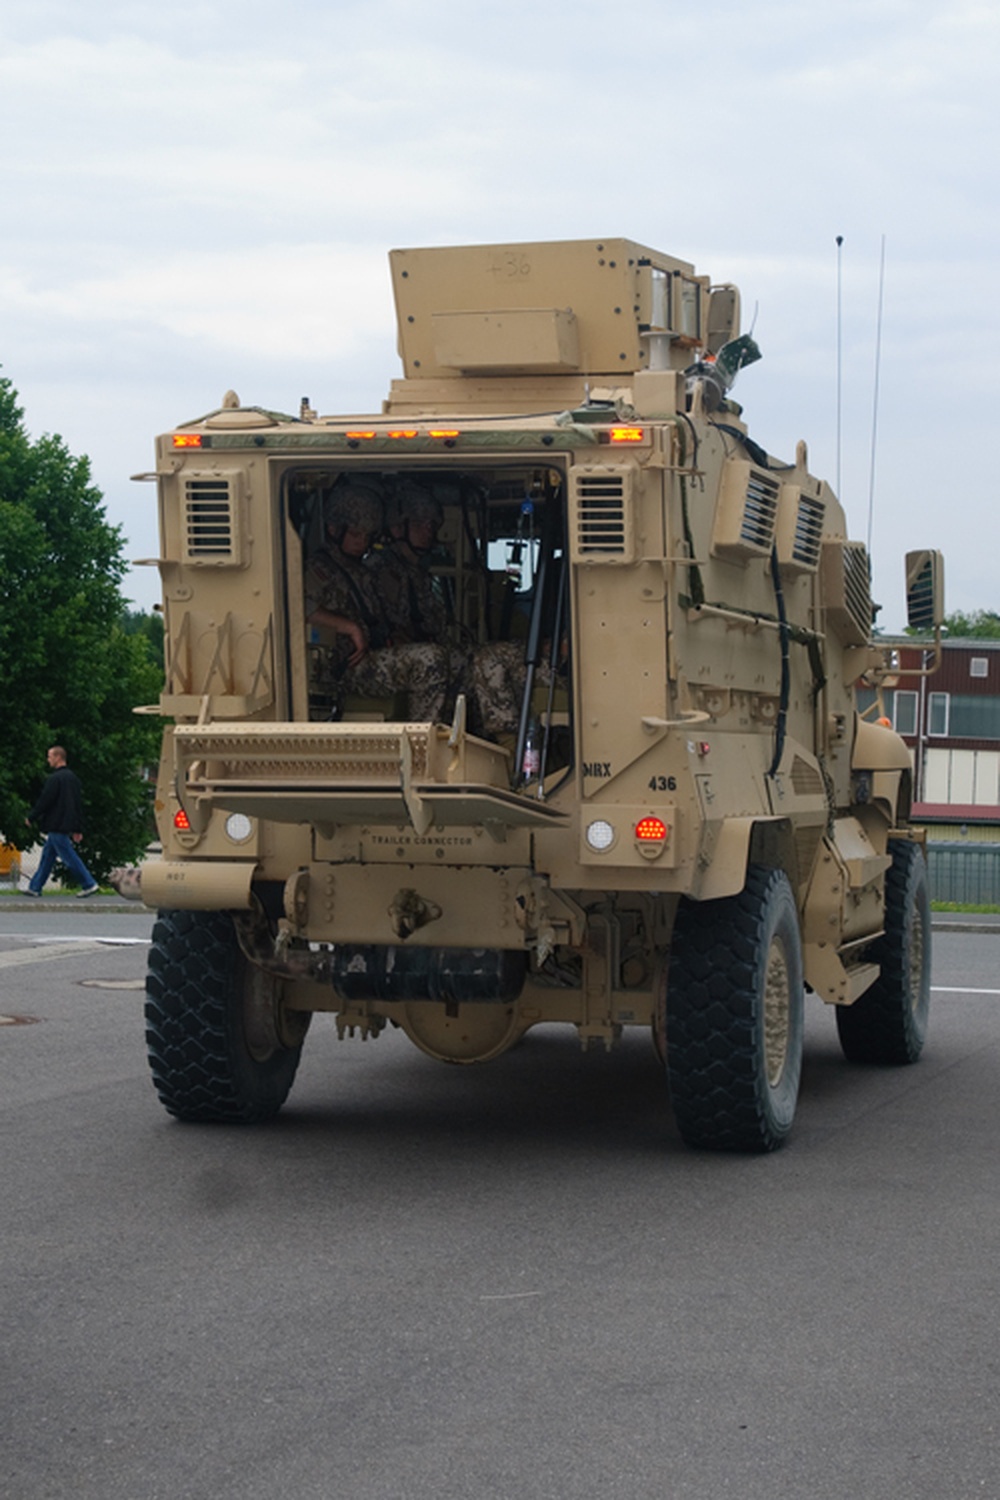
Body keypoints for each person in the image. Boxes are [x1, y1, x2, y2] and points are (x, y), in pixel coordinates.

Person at [305, 484, 449, 723]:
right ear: (333, 529)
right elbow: (295, 608)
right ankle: (423, 742)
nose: (362, 542)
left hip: (370, 658)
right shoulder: (316, 570)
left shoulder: (361, 572)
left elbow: (379, 621)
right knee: (429, 659)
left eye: (367, 536)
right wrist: (349, 627)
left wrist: (395, 638)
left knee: (445, 657)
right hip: (343, 669)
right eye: (355, 534)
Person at [24, 746, 99, 898]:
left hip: (56, 823)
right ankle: (35, 887)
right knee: (47, 856)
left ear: (58, 757)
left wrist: (32, 817)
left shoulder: (55, 779)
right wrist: (78, 828)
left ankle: (89, 883)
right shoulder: (73, 779)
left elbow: (45, 800)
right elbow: (77, 805)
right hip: (67, 824)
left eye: (50, 756)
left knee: (69, 856)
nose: (48, 759)